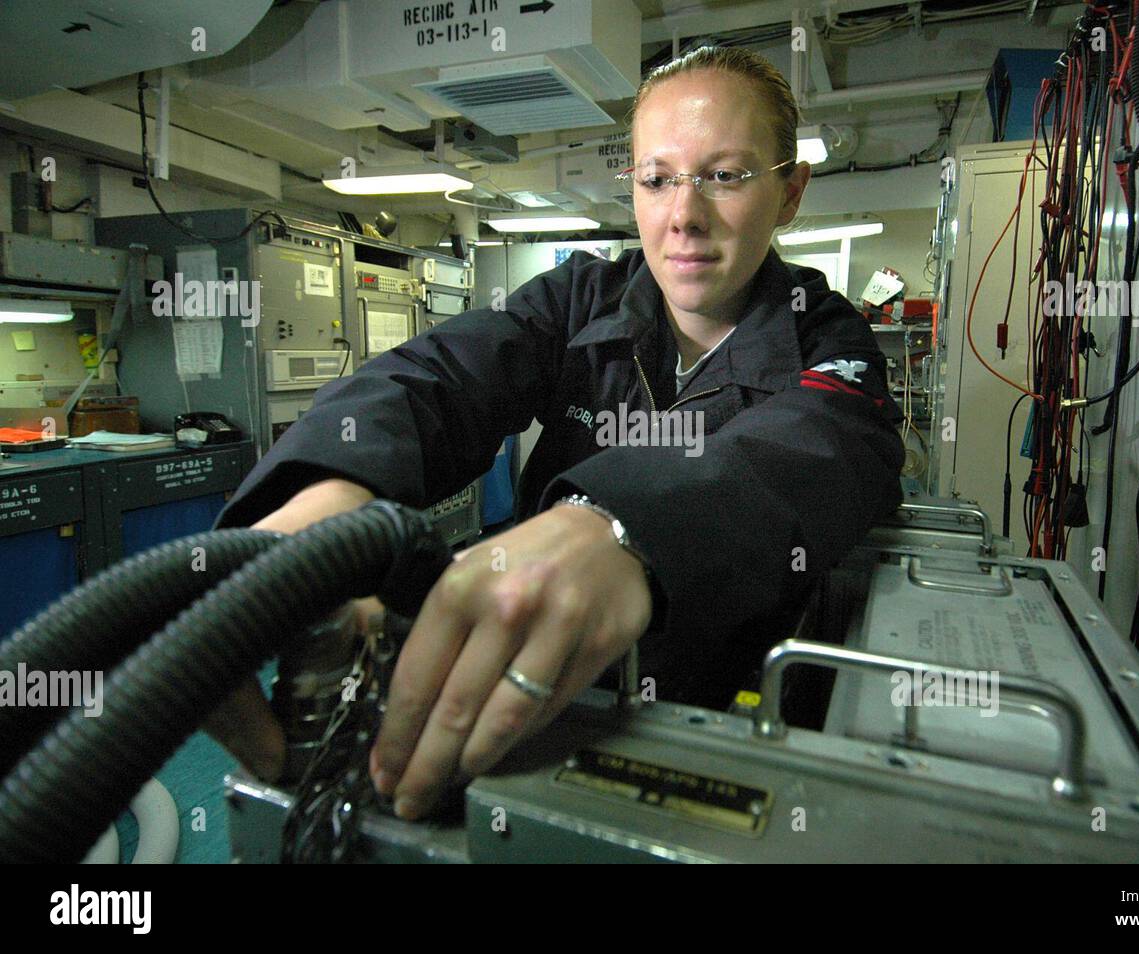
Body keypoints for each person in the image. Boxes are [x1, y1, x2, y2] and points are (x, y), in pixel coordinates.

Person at [206, 46, 904, 822]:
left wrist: (623, 528)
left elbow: (824, 446)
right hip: (537, 710)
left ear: (791, 191)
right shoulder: (579, 300)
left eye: (727, 175)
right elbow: (441, 376)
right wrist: (328, 488)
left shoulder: (827, 336)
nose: (684, 216)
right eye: (658, 178)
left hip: (721, 718)